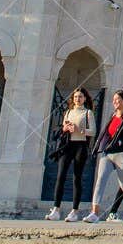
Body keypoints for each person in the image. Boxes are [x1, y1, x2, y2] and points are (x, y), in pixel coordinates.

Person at [84, 89, 123, 223]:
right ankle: (94, 213)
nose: (115, 102)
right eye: (114, 100)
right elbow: (107, 133)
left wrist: (121, 143)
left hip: (122, 154)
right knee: (100, 180)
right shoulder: (113, 115)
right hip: (107, 153)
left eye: (118, 99)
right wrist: (100, 145)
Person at [47, 87, 95, 221]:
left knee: (76, 178)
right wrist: (65, 128)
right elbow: (63, 130)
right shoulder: (68, 112)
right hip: (67, 145)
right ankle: (56, 209)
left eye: (80, 97)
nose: (77, 99)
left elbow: (93, 131)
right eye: (75, 97)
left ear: (85, 98)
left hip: (80, 146)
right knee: (60, 176)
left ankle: (75, 211)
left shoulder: (88, 113)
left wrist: (79, 130)